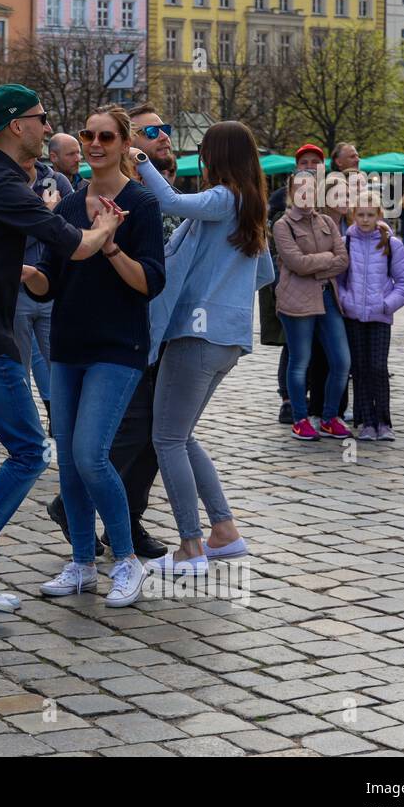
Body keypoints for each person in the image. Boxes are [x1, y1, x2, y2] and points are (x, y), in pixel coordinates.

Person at [0, 84, 119, 612]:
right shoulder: (2, 182)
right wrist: (106, 224)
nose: (48, 128)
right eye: (43, 119)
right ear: (17, 125)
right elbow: (77, 244)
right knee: (29, 452)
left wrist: (11, 268)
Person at [22, 105, 164, 606]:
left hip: (118, 346)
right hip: (69, 345)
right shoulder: (66, 208)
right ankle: (82, 562)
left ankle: (124, 559)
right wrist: (23, 270)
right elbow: (50, 286)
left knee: (89, 453)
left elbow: (149, 282)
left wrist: (108, 244)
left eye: (107, 136)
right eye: (89, 135)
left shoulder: (142, 205)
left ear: (126, 144)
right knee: (69, 462)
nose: (96, 143)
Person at [134, 122, 273, 574]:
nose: (201, 159)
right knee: (182, 434)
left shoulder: (224, 197)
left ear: (218, 157)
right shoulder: (251, 205)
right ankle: (224, 531)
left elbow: (170, 201)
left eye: (206, 152)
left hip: (197, 334)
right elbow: (264, 273)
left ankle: (191, 547)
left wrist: (138, 160)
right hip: (227, 336)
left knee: (166, 439)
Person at [273, 164, 352, 441]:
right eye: (300, 190)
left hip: (327, 298)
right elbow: (295, 263)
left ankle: (329, 417)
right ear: (292, 192)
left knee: (342, 361)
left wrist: (314, 266)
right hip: (296, 301)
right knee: (300, 362)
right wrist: (324, 261)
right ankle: (300, 419)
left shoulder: (327, 222)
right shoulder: (282, 225)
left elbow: (343, 260)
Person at [339, 193, 404, 440]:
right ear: (353, 215)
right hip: (354, 317)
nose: (365, 219)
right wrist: (346, 301)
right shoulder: (346, 242)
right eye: (360, 214)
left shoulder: (392, 244)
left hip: (380, 316)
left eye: (370, 214)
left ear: (379, 216)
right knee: (359, 369)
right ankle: (367, 422)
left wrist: (386, 304)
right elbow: (337, 281)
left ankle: (383, 421)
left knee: (378, 368)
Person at [14, 152, 72, 437]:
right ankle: (26, 437)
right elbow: (7, 242)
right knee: (18, 370)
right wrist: (48, 217)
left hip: (52, 290)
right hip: (16, 292)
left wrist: (45, 224)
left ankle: (64, 428)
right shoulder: (5, 184)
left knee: (60, 364)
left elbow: (71, 230)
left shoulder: (56, 180)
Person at [270, 144, 326, 426]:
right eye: (305, 161)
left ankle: (313, 398)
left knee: (317, 345)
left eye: (315, 162)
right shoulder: (281, 198)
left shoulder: (327, 198)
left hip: (322, 284)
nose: (310, 166)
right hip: (291, 281)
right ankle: (288, 400)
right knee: (292, 345)